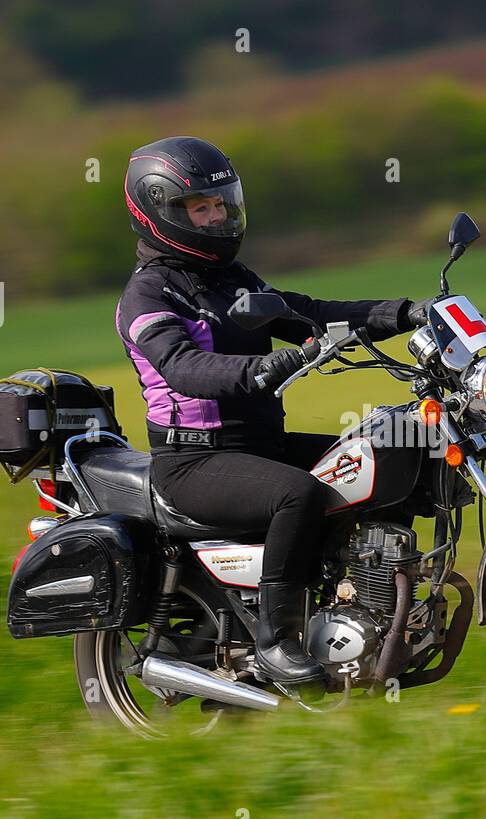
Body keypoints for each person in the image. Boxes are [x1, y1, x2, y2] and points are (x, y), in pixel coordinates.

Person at [116, 135, 418, 687]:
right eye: (199, 209)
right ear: (159, 212)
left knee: (390, 449)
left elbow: (308, 313)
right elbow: (182, 367)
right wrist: (259, 371)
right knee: (295, 494)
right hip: (194, 462)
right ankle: (277, 641)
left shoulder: (232, 280)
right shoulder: (148, 296)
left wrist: (403, 313)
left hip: (260, 445)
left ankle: (376, 603)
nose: (215, 218)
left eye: (219, 205)